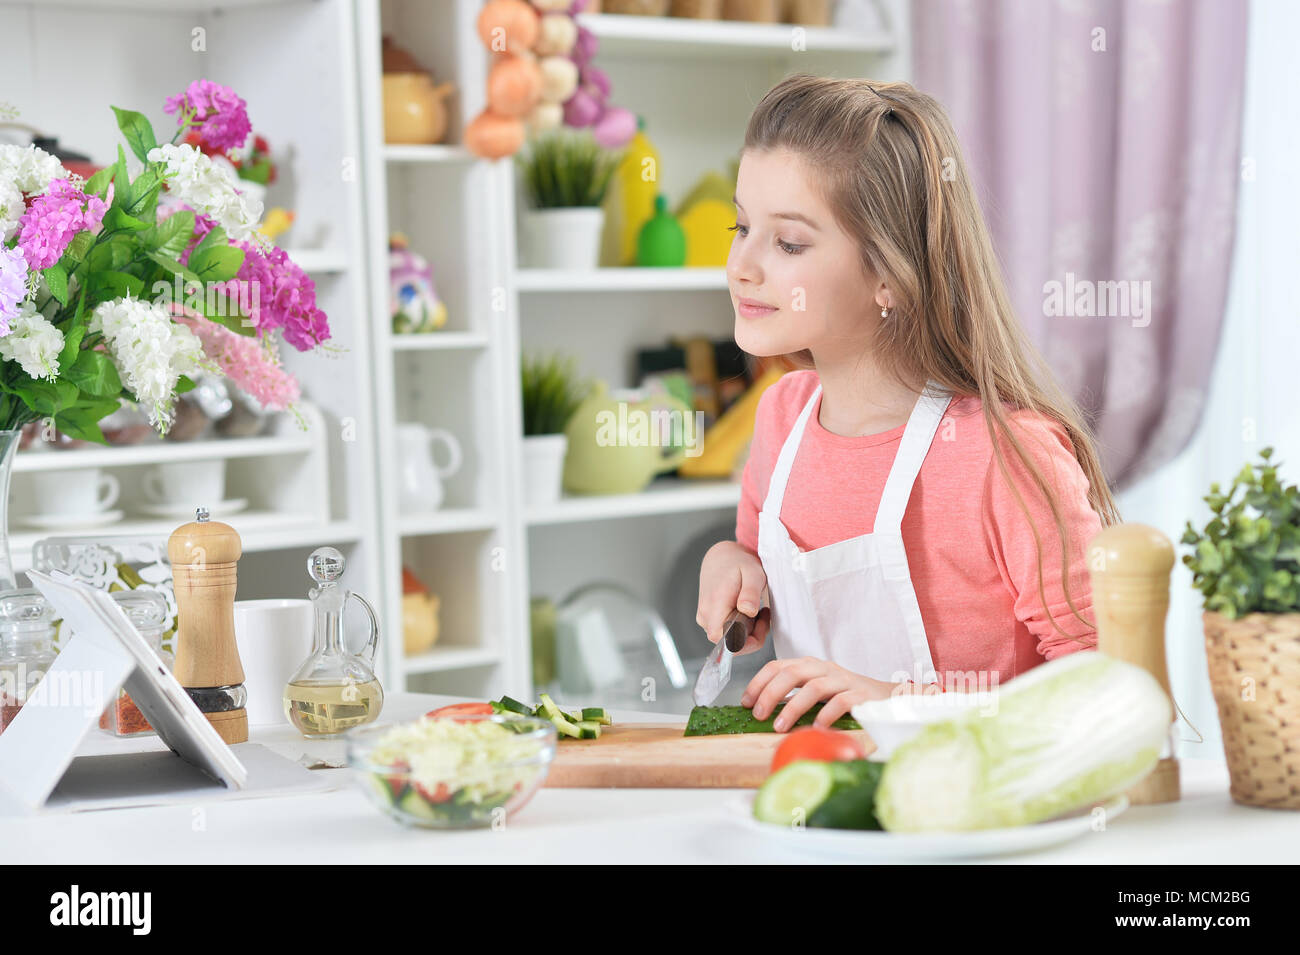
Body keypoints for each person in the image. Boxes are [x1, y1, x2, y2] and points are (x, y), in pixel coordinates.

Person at [696, 74, 1120, 732]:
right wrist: (731, 563)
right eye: (741, 225)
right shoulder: (782, 417)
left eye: (788, 243)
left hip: (987, 821)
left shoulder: (1007, 454)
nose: (741, 265)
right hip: (836, 813)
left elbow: (1108, 685)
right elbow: (755, 558)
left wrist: (897, 706)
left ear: (889, 276)